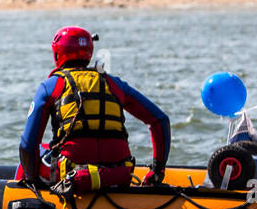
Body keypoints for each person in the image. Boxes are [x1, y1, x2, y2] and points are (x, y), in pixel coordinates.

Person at [17, 27, 170, 195]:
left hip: (71, 174)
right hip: (118, 174)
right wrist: (157, 172)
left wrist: (33, 181)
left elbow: (27, 145)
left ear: (57, 54)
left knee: (39, 151)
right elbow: (159, 120)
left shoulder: (51, 86)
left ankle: (24, 198)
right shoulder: (114, 84)